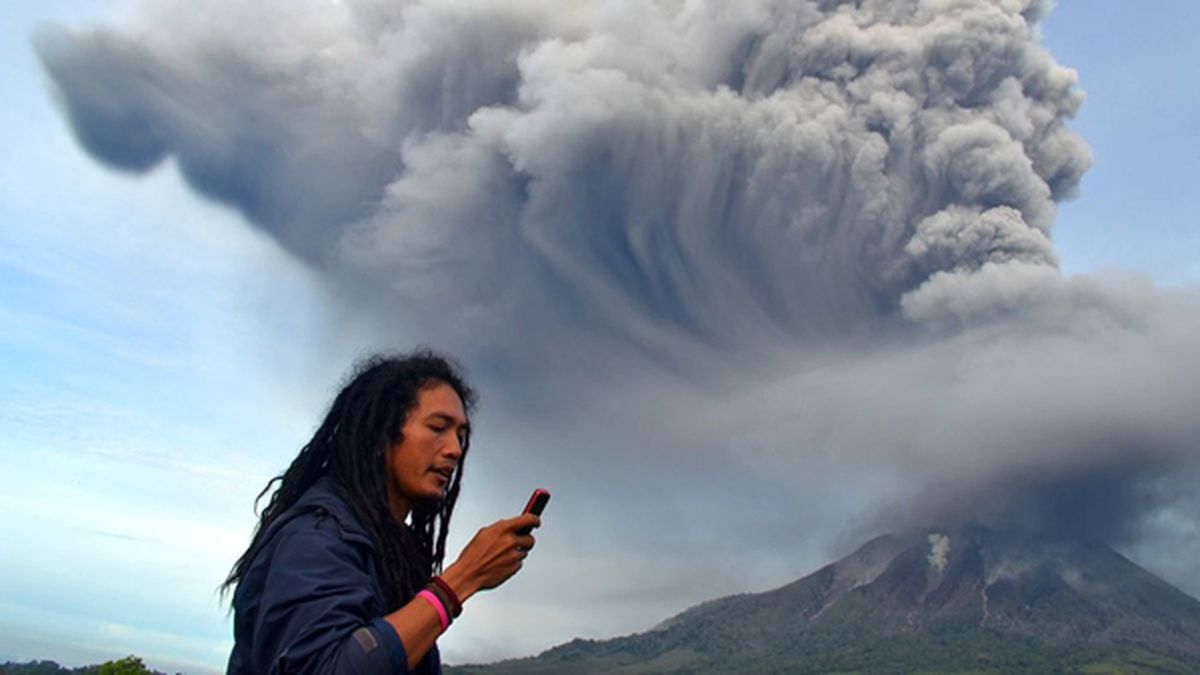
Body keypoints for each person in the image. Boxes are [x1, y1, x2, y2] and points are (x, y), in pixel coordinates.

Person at [222, 350, 540, 674]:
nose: (455, 450)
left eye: (461, 436)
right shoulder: (316, 536)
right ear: (379, 434)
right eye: (438, 428)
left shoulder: (388, 551)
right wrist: (462, 579)